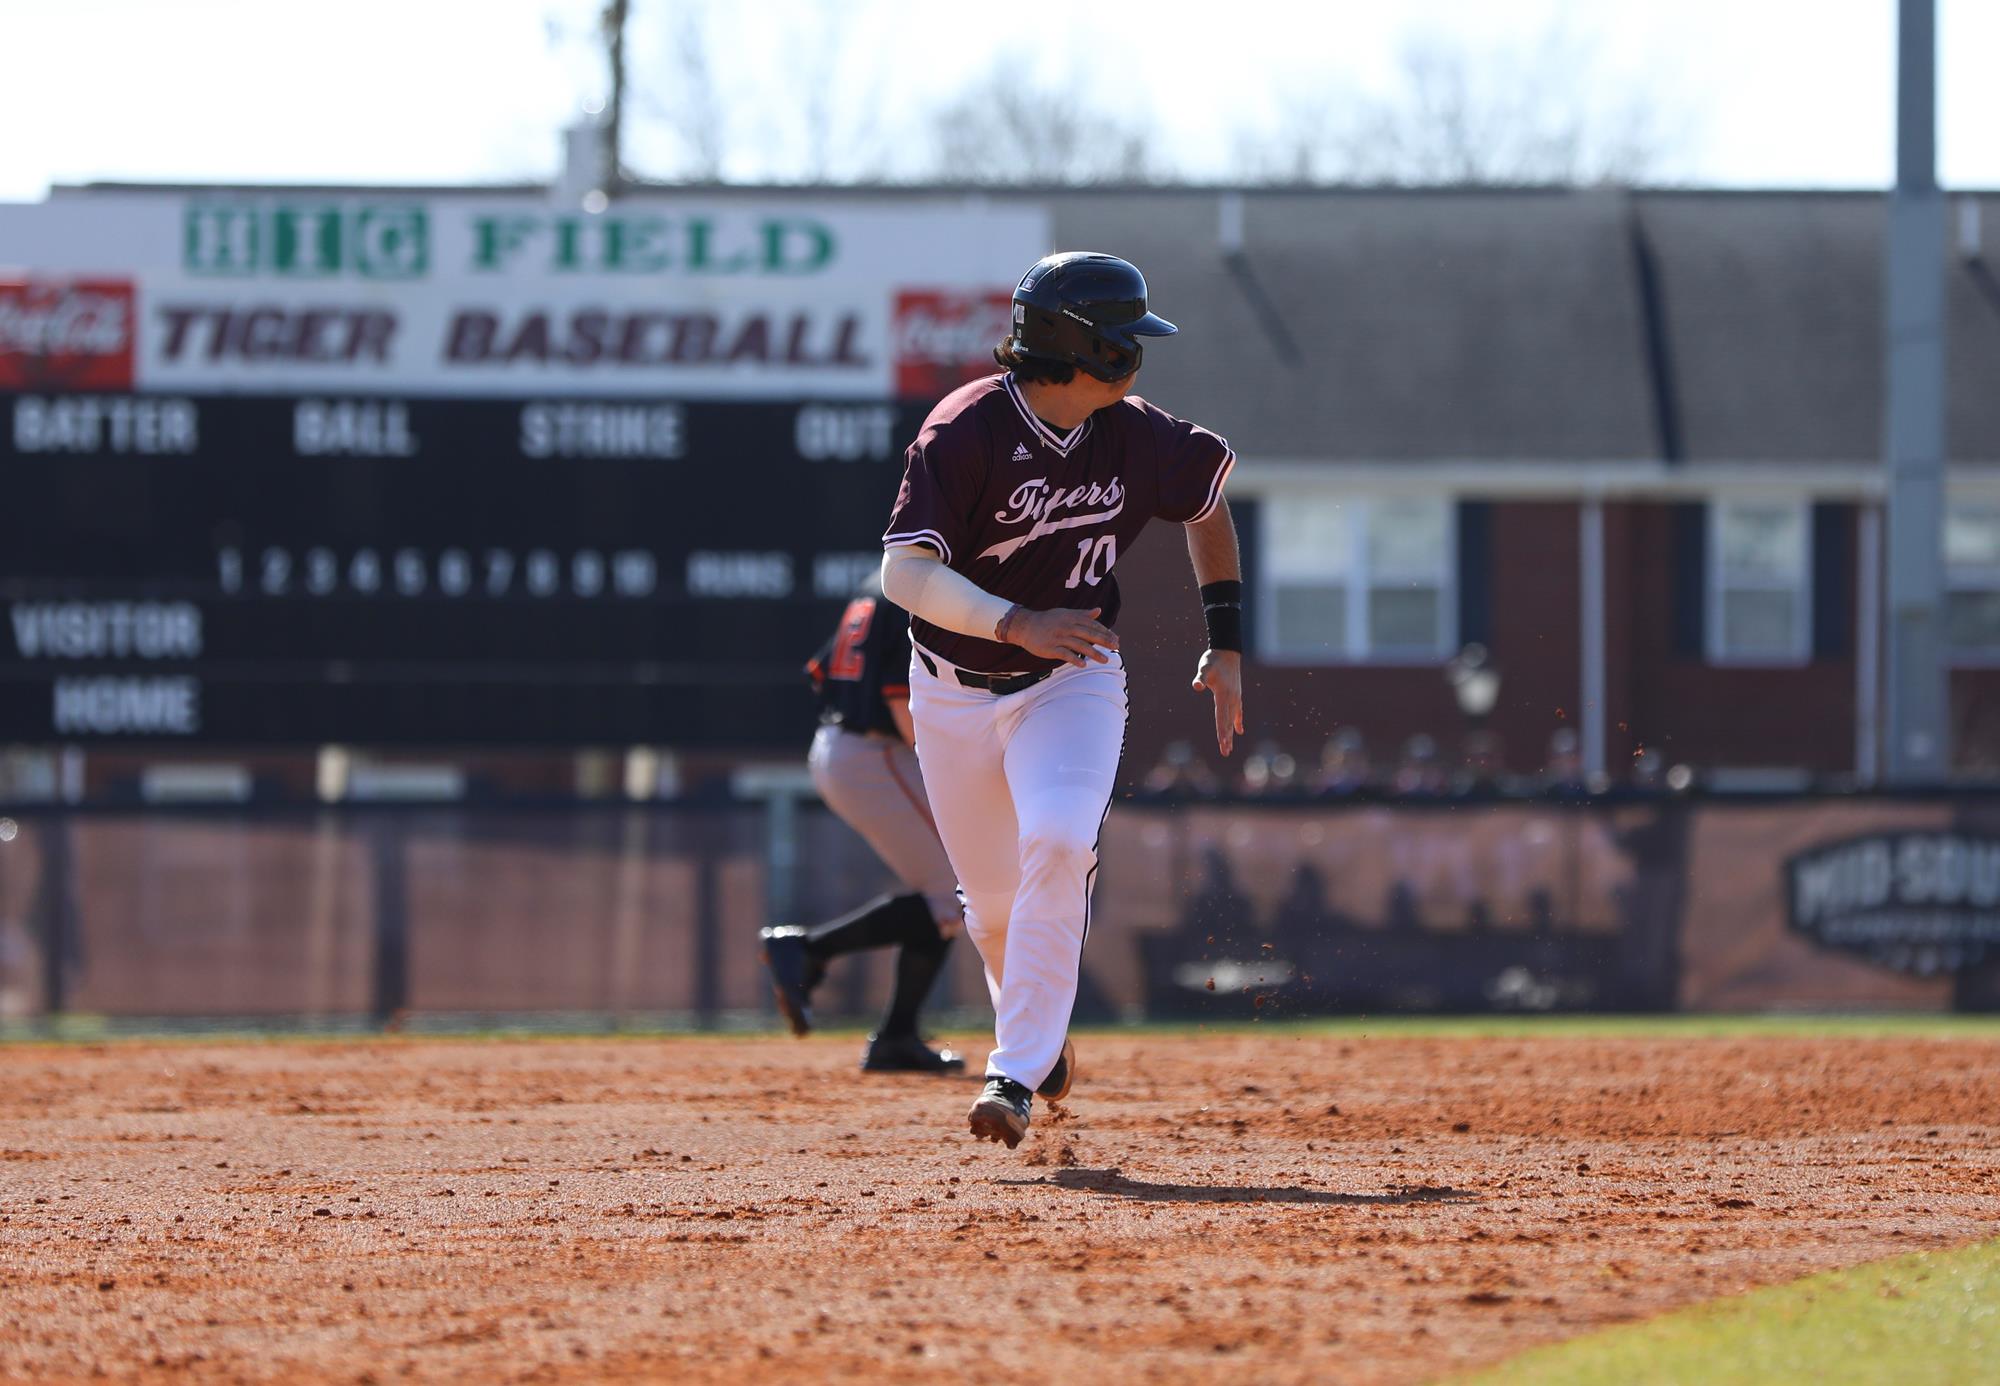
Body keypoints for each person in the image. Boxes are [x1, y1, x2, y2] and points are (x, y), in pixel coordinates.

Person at [879, 251, 1244, 1148]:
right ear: (1083, 347)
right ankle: (1044, 1047)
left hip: (1072, 680)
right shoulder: (963, 431)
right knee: (994, 909)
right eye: (1128, 340)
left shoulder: (1138, 434)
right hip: (954, 693)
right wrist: (1013, 622)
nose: (1140, 358)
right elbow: (903, 574)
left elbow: (1207, 509)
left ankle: (1011, 1073)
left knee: (1058, 835)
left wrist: (1226, 640)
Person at [758, 576, 966, 1074]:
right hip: (875, 751)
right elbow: (899, 702)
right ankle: (809, 951)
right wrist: (955, 770)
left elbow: (819, 672)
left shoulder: (881, 579)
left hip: (845, 745)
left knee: (949, 895)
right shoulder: (918, 587)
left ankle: (896, 1034)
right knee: (959, 889)